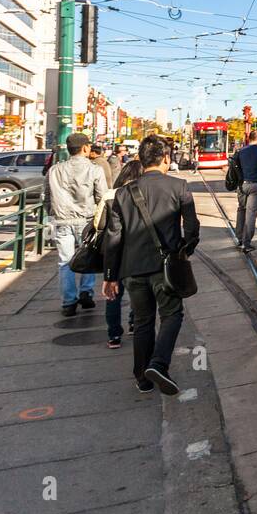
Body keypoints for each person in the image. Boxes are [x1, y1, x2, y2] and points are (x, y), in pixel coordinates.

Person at [101, 136, 200, 395]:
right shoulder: (179, 187)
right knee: (171, 315)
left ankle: (142, 378)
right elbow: (191, 228)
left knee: (143, 321)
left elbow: (114, 236)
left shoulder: (122, 194)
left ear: (141, 161)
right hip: (164, 268)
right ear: (166, 158)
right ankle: (158, 364)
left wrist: (110, 276)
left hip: (132, 270)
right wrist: (184, 251)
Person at [47, 132, 106, 317]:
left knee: (65, 262)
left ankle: (68, 302)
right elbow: (102, 197)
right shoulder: (95, 169)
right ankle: (86, 293)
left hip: (62, 220)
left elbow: (46, 197)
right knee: (89, 256)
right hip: (87, 220)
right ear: (86, 148)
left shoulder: (55, 170)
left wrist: (52, 214)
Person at [91, 159, 143, 348]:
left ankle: (114, 335)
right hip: (137, 251)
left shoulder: (110, 195)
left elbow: (98, 225)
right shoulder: (143, 193)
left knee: (113, 293)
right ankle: (133, 323)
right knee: (138, 292)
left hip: (113, 252)